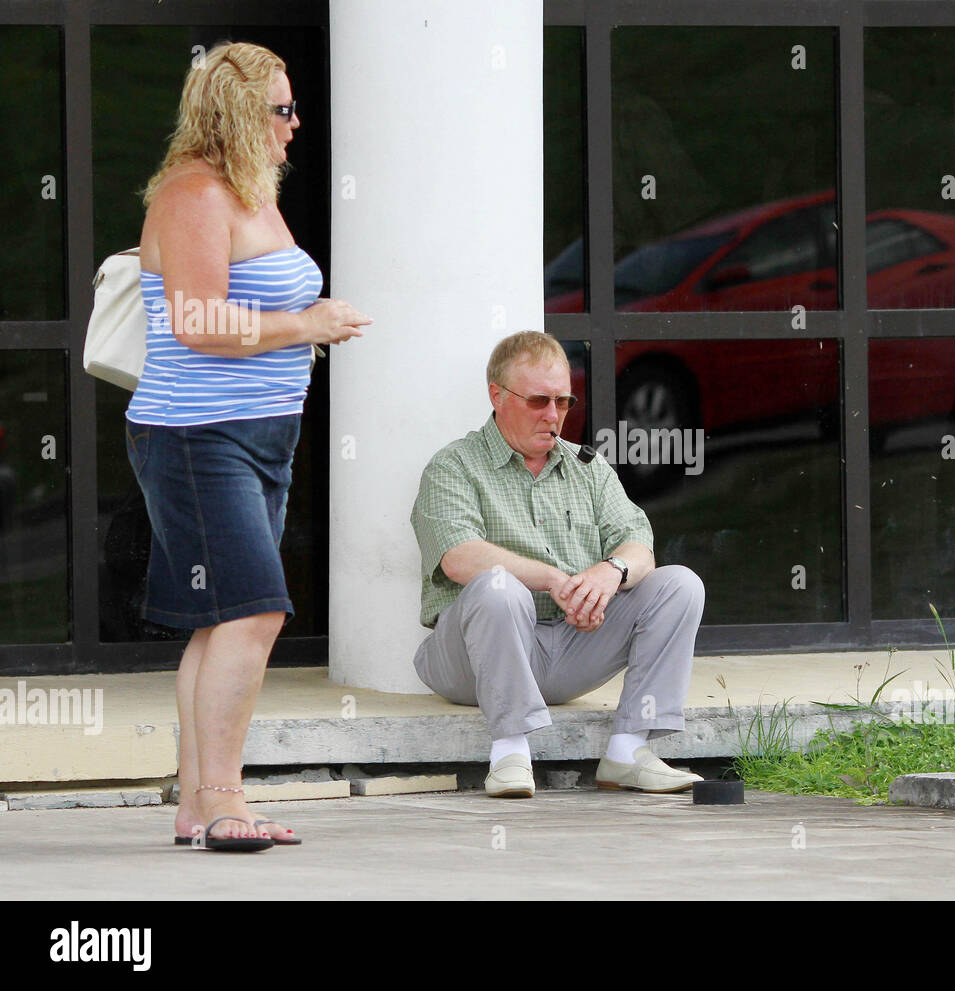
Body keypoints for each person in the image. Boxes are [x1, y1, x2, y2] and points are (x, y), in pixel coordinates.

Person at [127, 41, 371, 850]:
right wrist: (309, 324)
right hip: (199, 437)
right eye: (283, 109)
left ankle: (200, 801)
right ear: (238, 112)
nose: (296, 125)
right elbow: (197, 324)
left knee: (219, 619)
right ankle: (226, 801)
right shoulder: (194, 194)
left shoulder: (248, 192)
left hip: (255, 438)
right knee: (255, 610)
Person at [410, 331, 705, 798]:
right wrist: (555, 580)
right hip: (472, 660)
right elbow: (458, 556)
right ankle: (509, 752)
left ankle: (629, 751)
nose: (554, 416)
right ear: (497, 396)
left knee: (679, 585)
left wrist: (611, 573)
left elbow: (638, 544)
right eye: (538, 401)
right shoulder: (454, 466)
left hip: (571, 647)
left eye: (563, 402)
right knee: (497, 587)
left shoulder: (588, 468)